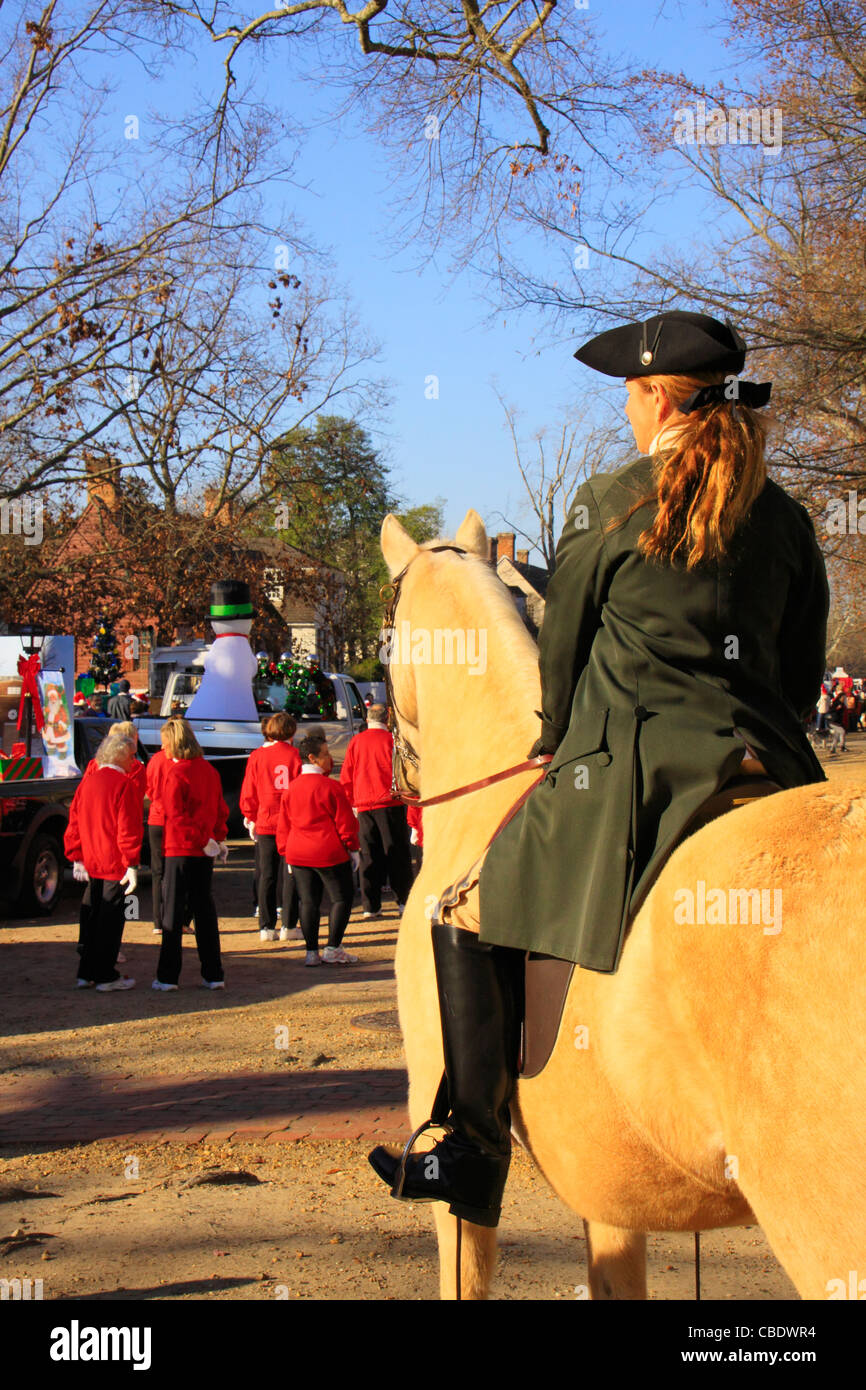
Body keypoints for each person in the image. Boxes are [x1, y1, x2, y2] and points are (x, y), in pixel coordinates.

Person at [370, 309, 829, 1228]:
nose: (626, 411)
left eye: (630, 393)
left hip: (636, 769)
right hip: (771, 763)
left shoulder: (614, 500)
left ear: (659, 397)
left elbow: (565, 658)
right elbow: (803, 664)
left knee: (464, 906)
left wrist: (556, 745)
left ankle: (468, 1147)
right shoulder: (786, 516)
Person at [64, 729, 143, 991]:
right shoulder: (124, 785)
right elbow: (127, 828)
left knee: (92, 917)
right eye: (132, 756)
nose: (135, 761)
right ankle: (105, 975)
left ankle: (85, 972)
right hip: (113, 861)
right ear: (121, 756)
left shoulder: (88, 782)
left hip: (92, 858)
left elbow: (74, 821)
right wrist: (132, 862)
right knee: (110, 920)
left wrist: (77, 855)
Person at [154, 718, 229, 991]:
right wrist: (216, 839)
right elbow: (221, 809)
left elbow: (175, 815)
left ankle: (168, 976)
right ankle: (213, 973)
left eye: (165, 744)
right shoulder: (209, 771)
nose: (163, 749)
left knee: (172, 913)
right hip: (203, 848)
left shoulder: (177, 774)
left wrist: (205, 839)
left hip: (180, 848)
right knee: (205, 911)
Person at [276, 729, 360, 966]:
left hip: (298, 852)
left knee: (308, 901)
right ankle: (333, 946)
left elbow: (284, 824)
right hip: (328, 851)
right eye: (324, 754)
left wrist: (285, 852)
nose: (328, 758)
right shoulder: (330, 787)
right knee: (341, 898)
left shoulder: (291, 789)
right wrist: (353, 848)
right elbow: (345, 823)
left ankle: (311, 951)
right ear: (312, 758)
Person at [340, 704, 413, 918]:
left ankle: (371, 905)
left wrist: (351, 801)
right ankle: (403, 900)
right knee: (397, 854)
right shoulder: (392, 741)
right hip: (390, 803)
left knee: (369, 855)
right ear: (387, 718)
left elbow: (347, 775)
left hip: (364, 805)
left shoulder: (356, 742)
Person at [240, 711, 302, 942]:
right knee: (290, 873)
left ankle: (266, 926)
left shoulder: (257, 756)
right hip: (290, 822)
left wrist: (250, 815)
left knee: (266, 874)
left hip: (266, 820)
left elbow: (249, 789)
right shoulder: (295, 755)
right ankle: (289, 924)